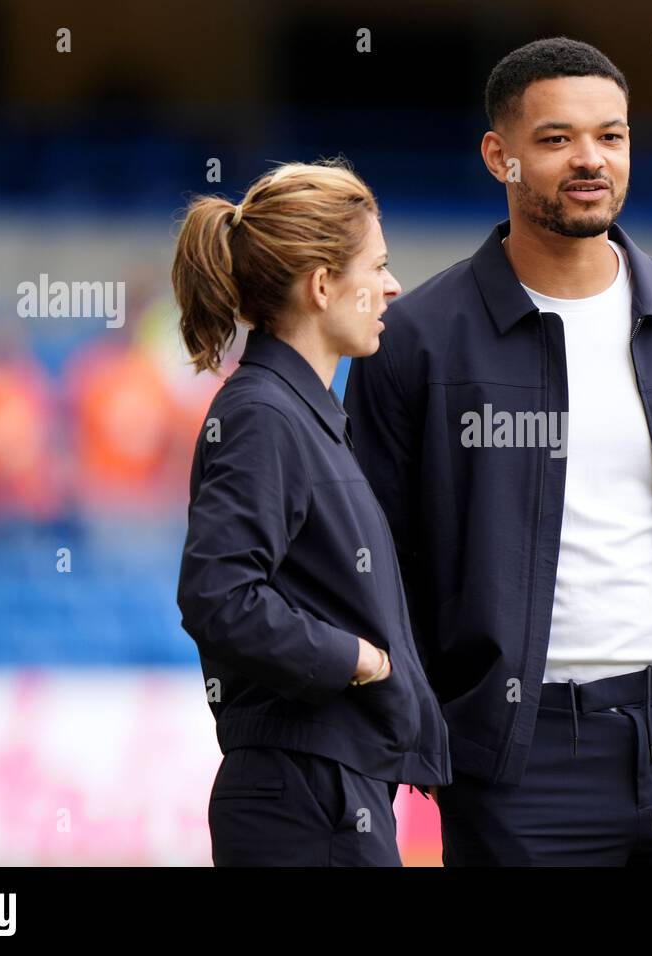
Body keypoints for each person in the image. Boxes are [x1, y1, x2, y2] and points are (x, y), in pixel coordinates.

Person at [345, 38, 652, 865]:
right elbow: (376, 549)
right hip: (522, 759)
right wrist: (444, 719)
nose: (590, 159)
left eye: (612, 136)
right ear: (500, 156)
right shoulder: (416, 341)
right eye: (556, 139)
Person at [173, 159, 449, 866]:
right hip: (303, 794)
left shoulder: (299, 412)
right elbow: (219, 595)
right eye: (379, 266)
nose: (391, 287)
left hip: (328, 789)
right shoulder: (264, 413)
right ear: (324, 285)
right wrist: (361, 660)